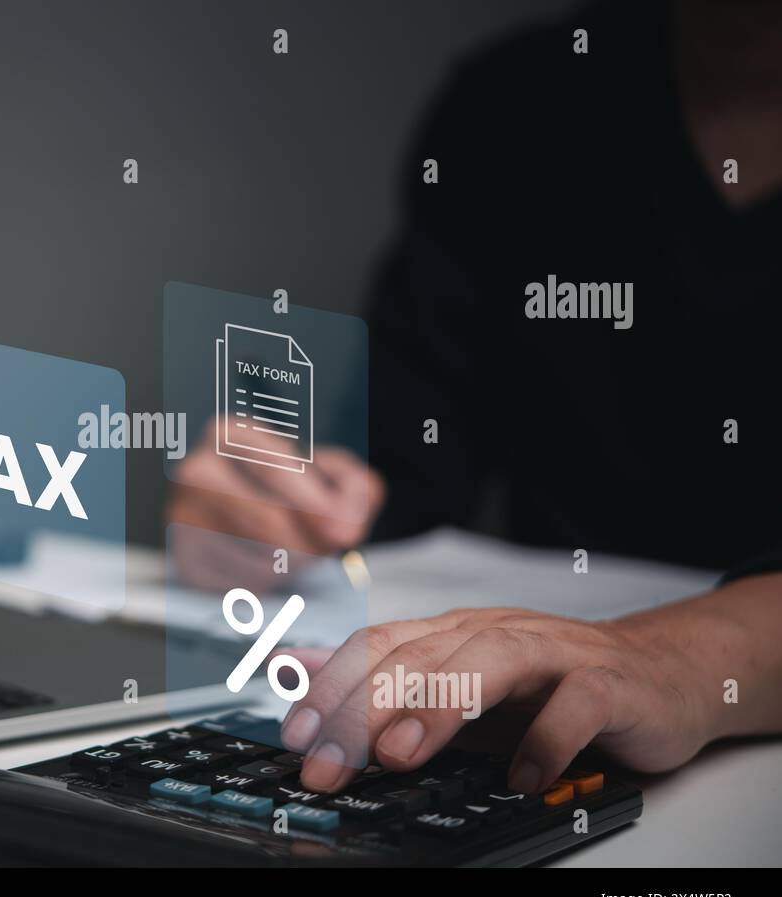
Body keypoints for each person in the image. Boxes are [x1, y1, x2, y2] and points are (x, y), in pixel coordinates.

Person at [167, 0, 782, 795]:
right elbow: (404, 465)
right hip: (531, 747)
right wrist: (269, 512)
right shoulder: (518, 105)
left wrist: (685, 653)